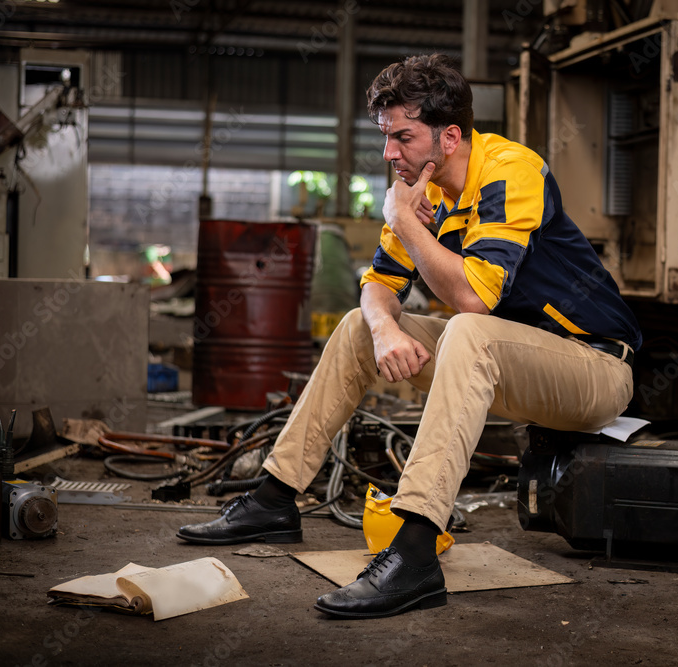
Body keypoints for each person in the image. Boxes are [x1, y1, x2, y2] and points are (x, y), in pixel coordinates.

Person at [177, 54, 642, 619]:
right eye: (385, 137)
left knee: (470, 329)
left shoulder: (509, 171)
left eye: (403, 137)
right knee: (356, 326)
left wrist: (405, 223)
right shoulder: (418, 190)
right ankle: (275, 497)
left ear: (449, 137)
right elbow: (378, 287)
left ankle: (416, 550)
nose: (389, 153)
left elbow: (476, 298)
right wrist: (383, 330)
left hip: (594, 370)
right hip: (513, 360)